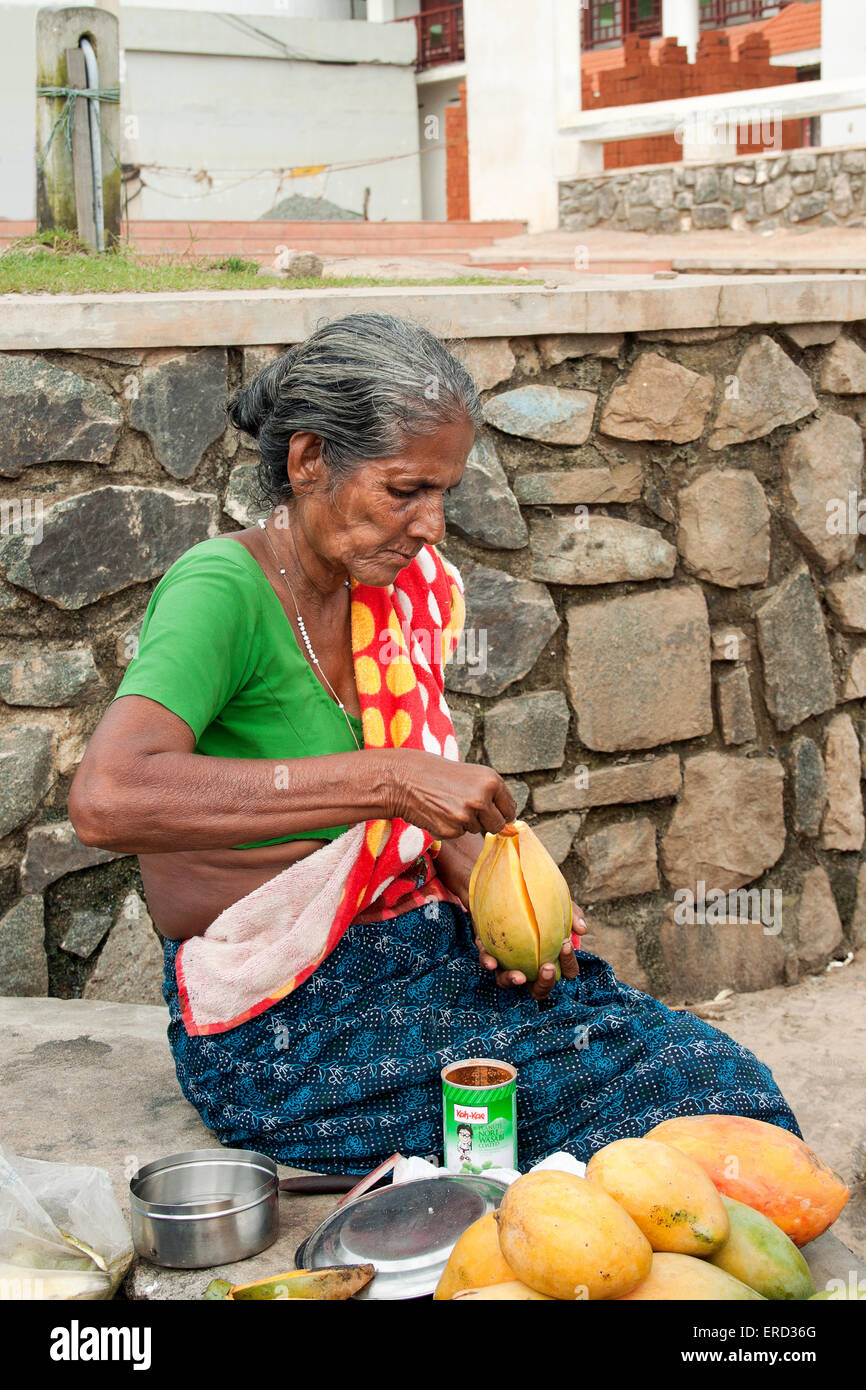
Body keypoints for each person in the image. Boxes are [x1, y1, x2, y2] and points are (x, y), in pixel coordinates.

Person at [70, 312, 801, 1174]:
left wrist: (478, 885)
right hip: (286, 1025)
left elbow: (396, 826)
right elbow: (108, 798)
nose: (432, 526)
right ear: (309, 463)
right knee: (689, 1119)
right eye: (406, 489)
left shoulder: (384, 590)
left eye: (444, 493)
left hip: (418, 955)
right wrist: (389, 782)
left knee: (708, 1077)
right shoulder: (221, 590)